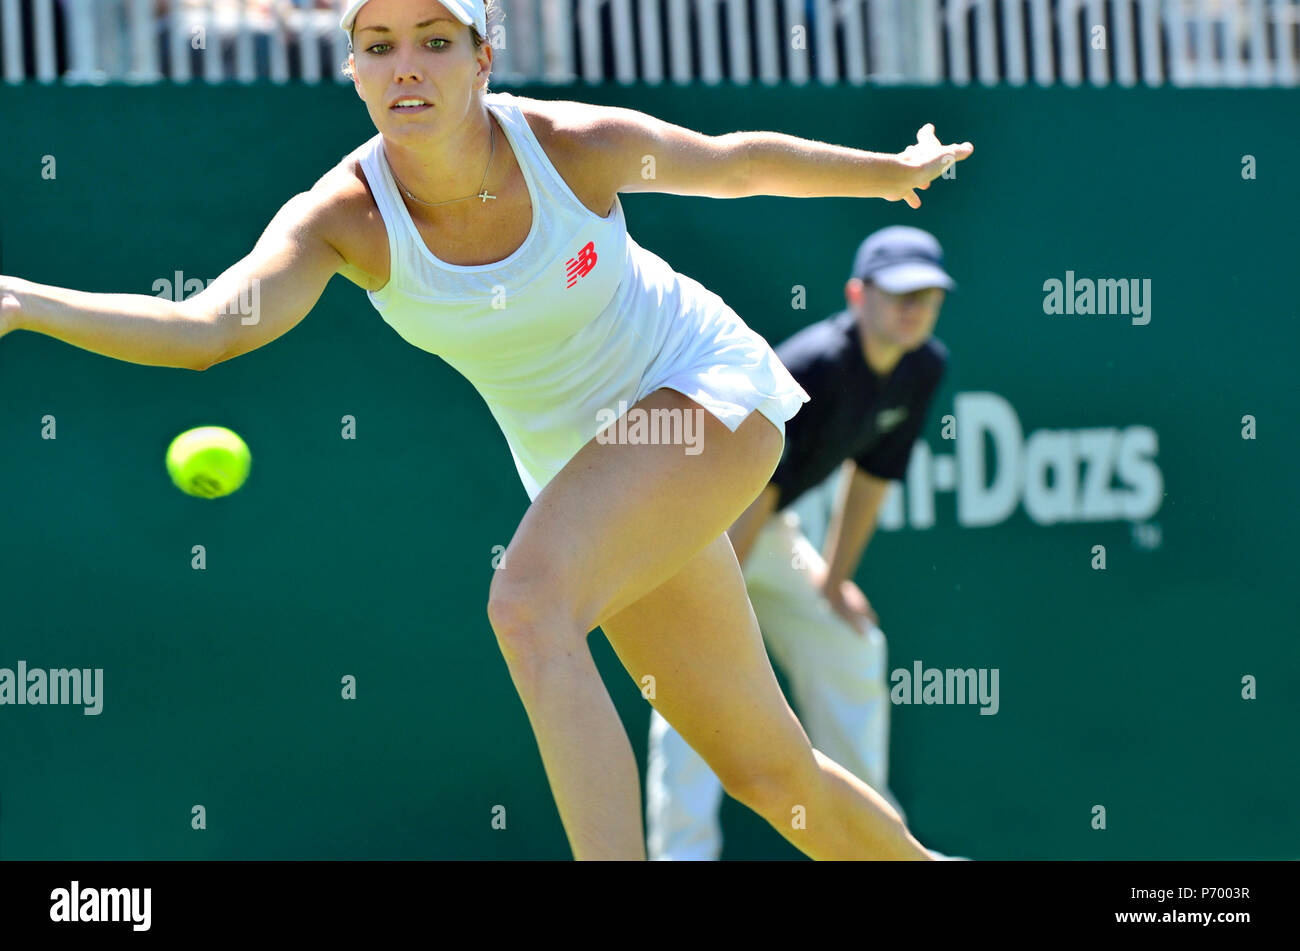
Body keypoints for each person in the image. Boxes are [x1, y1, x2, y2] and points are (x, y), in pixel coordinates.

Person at [0, 0, 973, 860]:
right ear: (352, 70)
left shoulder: (568, 144)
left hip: (702, 392)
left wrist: (890, 173)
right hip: (590, 472)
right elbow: (210, 329)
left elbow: (732, 164)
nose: (405, 66)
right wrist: (20, 301)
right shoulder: (341, 218)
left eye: (433, 41)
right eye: (377, 46)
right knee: (771, 777)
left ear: (482, 57)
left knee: (528, 604)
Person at [646, 225, 955, 860]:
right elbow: (747, 488)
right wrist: (704, 610)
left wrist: (834, 583)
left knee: (851, 642)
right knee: (696, 691)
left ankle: (876, 847)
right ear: (857, 295)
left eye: (926, 295)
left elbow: (870, 479)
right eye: (899, 293)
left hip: (764, 526)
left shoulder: (923, 367)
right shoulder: (814, 367)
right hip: (702, 528)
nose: (913, 308)